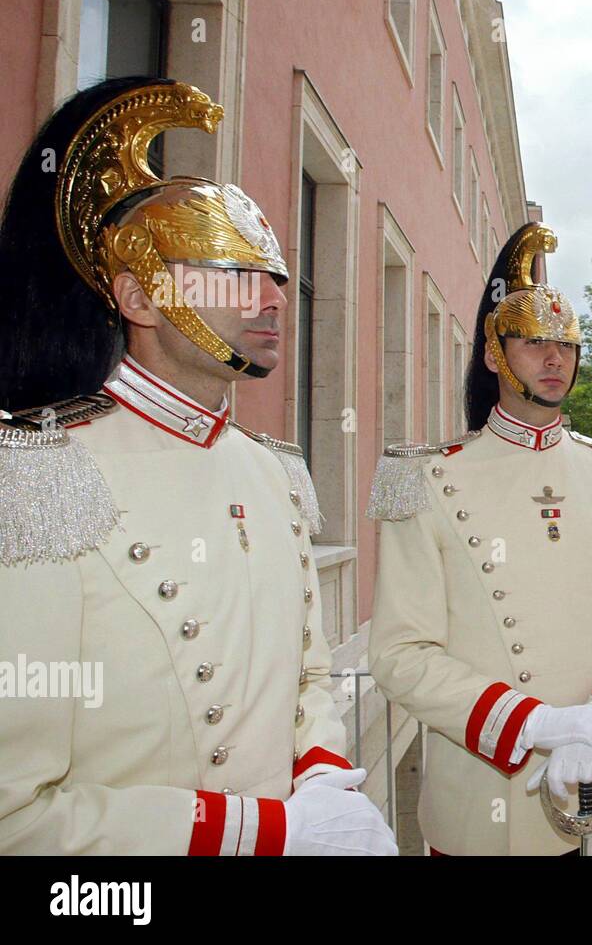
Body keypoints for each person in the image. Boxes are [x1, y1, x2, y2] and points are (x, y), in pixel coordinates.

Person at [0, 78, 395, 855]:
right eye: (234, 272)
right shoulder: (33, 472)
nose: (275, 297)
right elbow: (16, 810)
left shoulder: (275, 472)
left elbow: (309, 676)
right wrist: (267, 830)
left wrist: (319, 781)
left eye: (277, 275)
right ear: (140, 296)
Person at [367, 222, 592, 856]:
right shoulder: (426, 477)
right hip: (483, 806)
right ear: (493, 354)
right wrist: (536, 723)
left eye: (565, 343)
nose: (555, 358)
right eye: (533, 342)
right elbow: (402, 654)